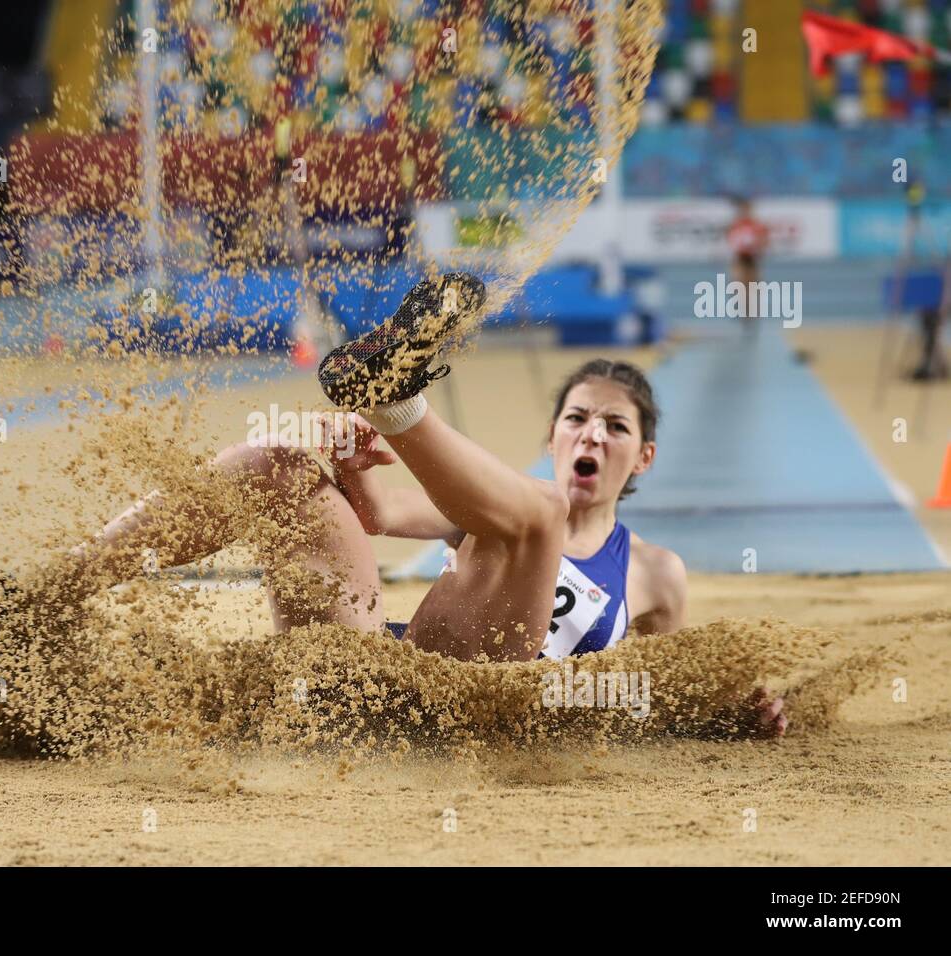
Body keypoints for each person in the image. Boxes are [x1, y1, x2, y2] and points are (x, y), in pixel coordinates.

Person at [64, 274, 787, 735]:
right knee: (279, 465)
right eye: (577, 418)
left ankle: (396, 401)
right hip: (374, 681)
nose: (592, 432)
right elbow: (376, 518)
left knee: (539, 512)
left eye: (615, 426)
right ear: (554, 434)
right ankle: (59, 586)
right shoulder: (489, 505)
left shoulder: (657, 574)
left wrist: (730, 712)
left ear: (643, 456)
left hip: (477, 714)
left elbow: (652, 695)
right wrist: (352, 466)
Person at [726, 196, 769, 335]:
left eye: (747, 209)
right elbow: (730, 239)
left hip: (752, 257)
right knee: (738, 284)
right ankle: (741, 309)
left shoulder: (756, 225)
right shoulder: (736, 224)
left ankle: (750, 313)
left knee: (752, 286)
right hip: (740, 257)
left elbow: (763, 240)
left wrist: (760, 249)